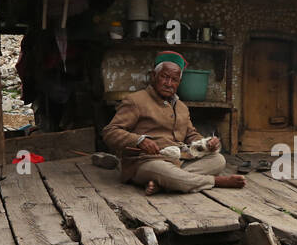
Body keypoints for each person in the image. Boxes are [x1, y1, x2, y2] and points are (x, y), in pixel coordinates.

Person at [103, 51, 246, 195]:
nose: (169, 83)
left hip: (177, 161)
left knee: (218, 160)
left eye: (174, 79)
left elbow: (191, 135)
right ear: (153, 76)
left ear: (179, 82)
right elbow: (110, 132)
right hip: (145, 162)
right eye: (164, 77)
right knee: (163, 171)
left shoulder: (181, 107)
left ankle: (163, 183)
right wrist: (139, 140)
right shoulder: (136, 100)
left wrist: (206, 143)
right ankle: (216, 181)